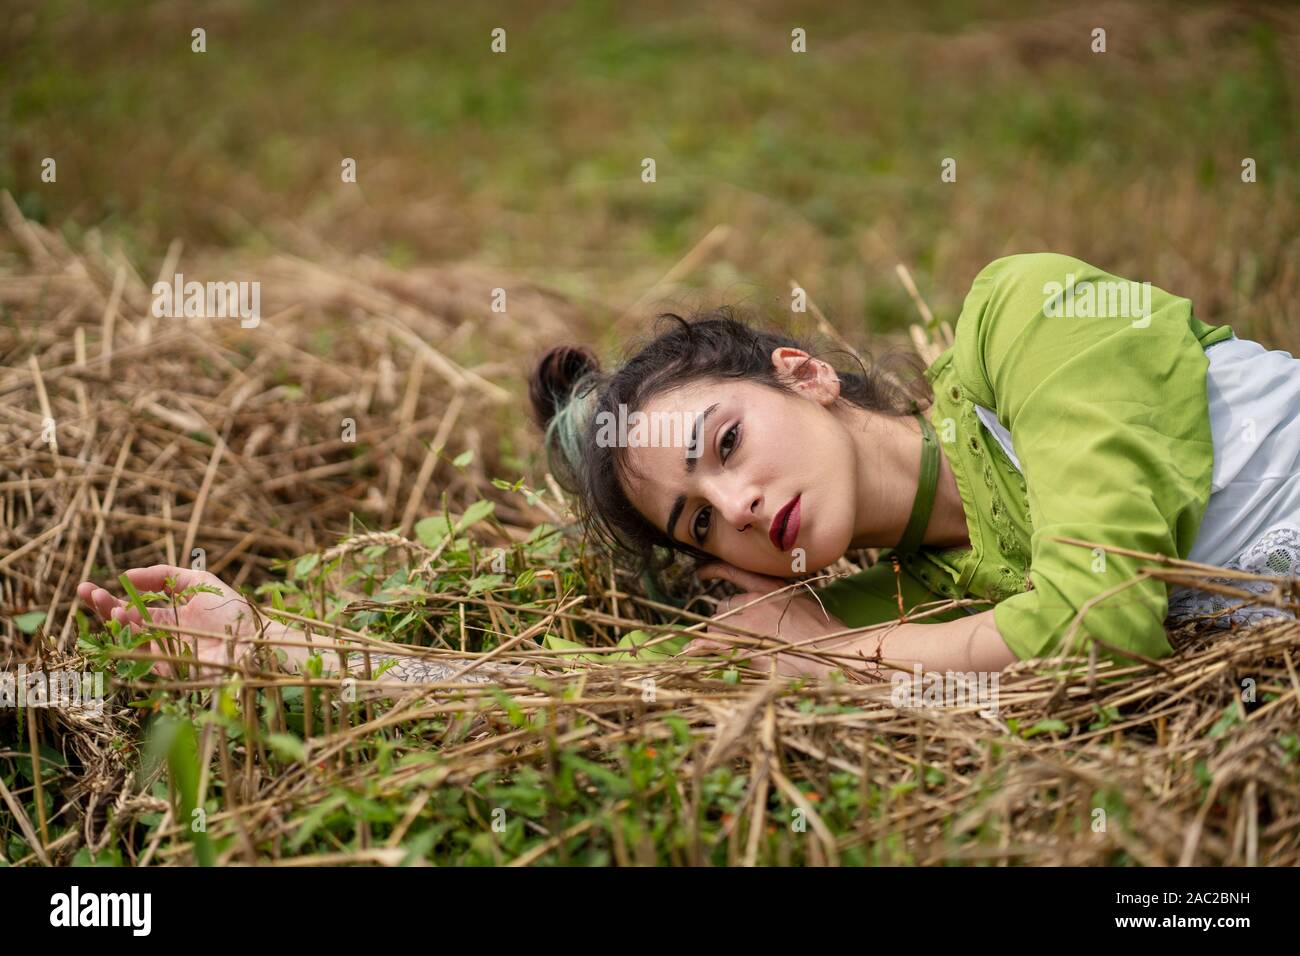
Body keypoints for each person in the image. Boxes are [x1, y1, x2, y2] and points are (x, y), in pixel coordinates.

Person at [79, 252, 1300, 684]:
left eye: (720, 446)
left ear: (804, 371)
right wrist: (278, 648)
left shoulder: (1027, 317)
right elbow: (590, 696)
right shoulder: (902, 608)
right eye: (699, 524)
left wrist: (829, 654)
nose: (738, 510)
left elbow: (1098, 616)